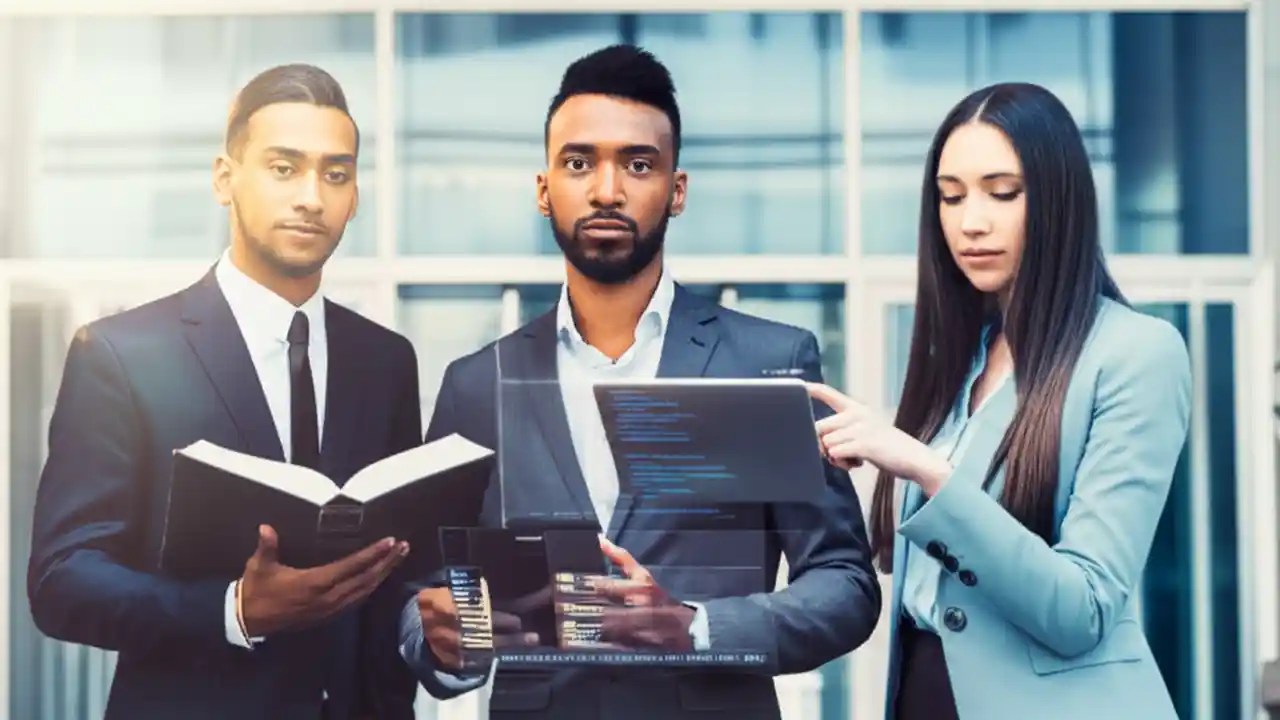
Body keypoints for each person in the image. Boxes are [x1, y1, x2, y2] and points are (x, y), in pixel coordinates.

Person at [399, 44, 881, 719]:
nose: (605, 189)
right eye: (578, 162)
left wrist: (692, 627)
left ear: (676, 190)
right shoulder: (477, 385)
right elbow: (423, 594)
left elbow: (844, 583)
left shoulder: (764, 362)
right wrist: (440, 637)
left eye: (637, 163)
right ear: (544, 189)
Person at [27, 64, 423, 719]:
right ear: (223, 178)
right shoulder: (123, 354)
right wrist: (232, 609)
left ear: (355, 195)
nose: (311, 197)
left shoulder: (385, 362)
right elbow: (62, 580)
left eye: (336, 173)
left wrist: (438, 638)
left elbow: (394, 572)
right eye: (283, 167)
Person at [806, 82, 1190, 720]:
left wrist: (925, 468)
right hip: (925, 692)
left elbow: (1083, 609)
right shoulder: (961, 358)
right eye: (950, 197)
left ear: (1059, 200)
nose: (969, 221)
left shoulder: (1137, 353)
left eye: (1002, 192)